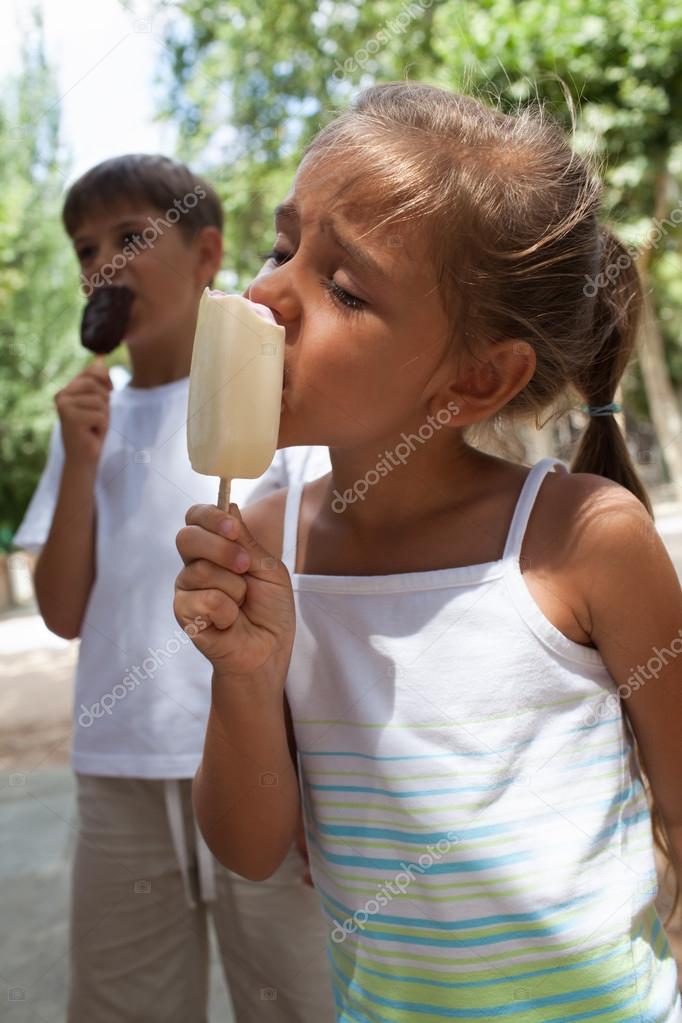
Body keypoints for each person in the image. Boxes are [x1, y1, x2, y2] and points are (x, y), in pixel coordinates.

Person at [174, 83, 682, 1021]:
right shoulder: (272, 544)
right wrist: (244, 676)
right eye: (282, 246)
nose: (265, 294)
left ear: (476, 378)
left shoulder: (584, 539)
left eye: (344, 288)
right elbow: (249, 849)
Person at [14, 153, 334, 1023]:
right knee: (123, 1001)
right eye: (85, 249)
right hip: (119, 766)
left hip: (263, 764)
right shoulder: (89, 417)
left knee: (298, 994)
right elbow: (62, 609)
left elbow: (320, 590)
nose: (103, 266)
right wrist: (82, 461)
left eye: (130, 237)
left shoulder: (274, 397)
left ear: (206, 256)